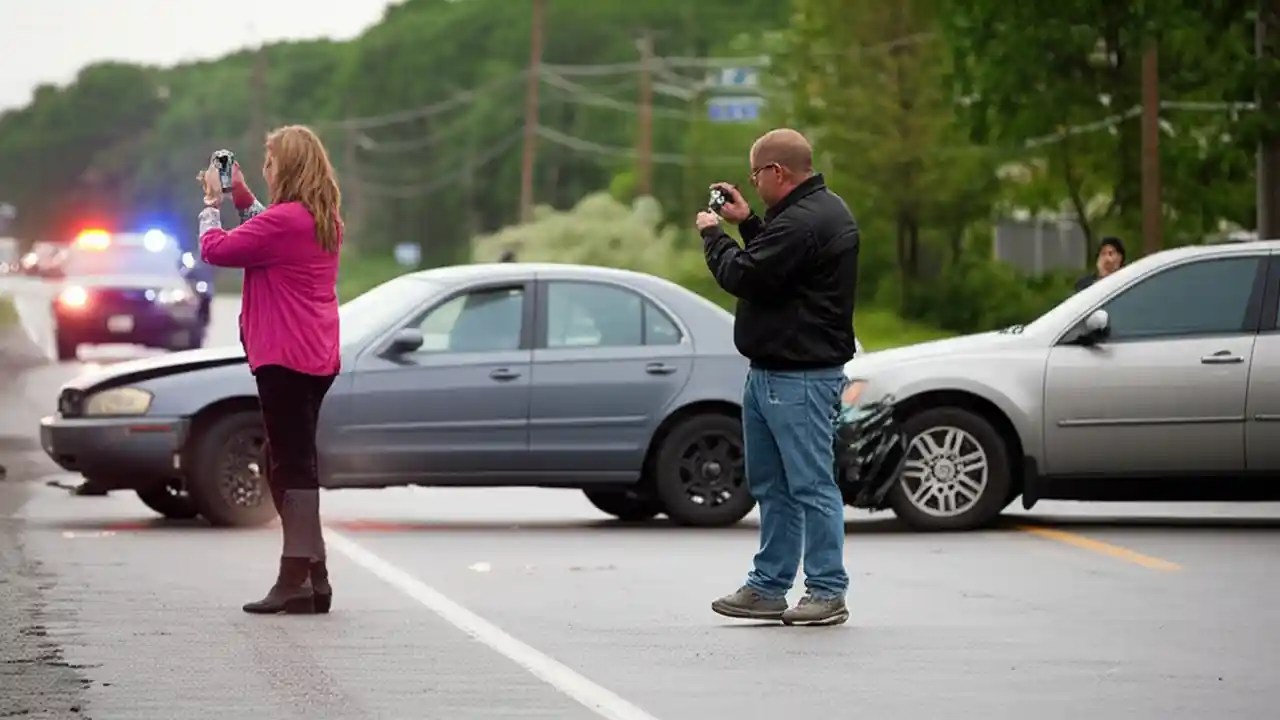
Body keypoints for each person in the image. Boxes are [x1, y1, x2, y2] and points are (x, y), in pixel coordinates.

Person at [695, 128, 860, 627]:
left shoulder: (808, 221)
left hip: (802, 377)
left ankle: (828, 589)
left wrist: (712, 235)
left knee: (810, 486)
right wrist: (748, 222)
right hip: (773, 372)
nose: (755, 184)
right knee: (774, 486)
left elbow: (747, 275)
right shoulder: (807, 215)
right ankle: (769, 587)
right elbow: (777, 268)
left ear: (776, 173)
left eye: (755, 176)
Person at [196, 125, 343, 615]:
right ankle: (313, 580)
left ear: (292, 167)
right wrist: (240, 192)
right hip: (315, 355)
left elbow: (217, 250)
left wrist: (213, 204)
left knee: (290, 469)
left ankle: (294, 577)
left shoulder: (286, 223)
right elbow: (265, 228)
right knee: (295, 463)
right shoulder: (319, 219)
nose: (267, 168)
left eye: (272, 161)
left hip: (285, 356)